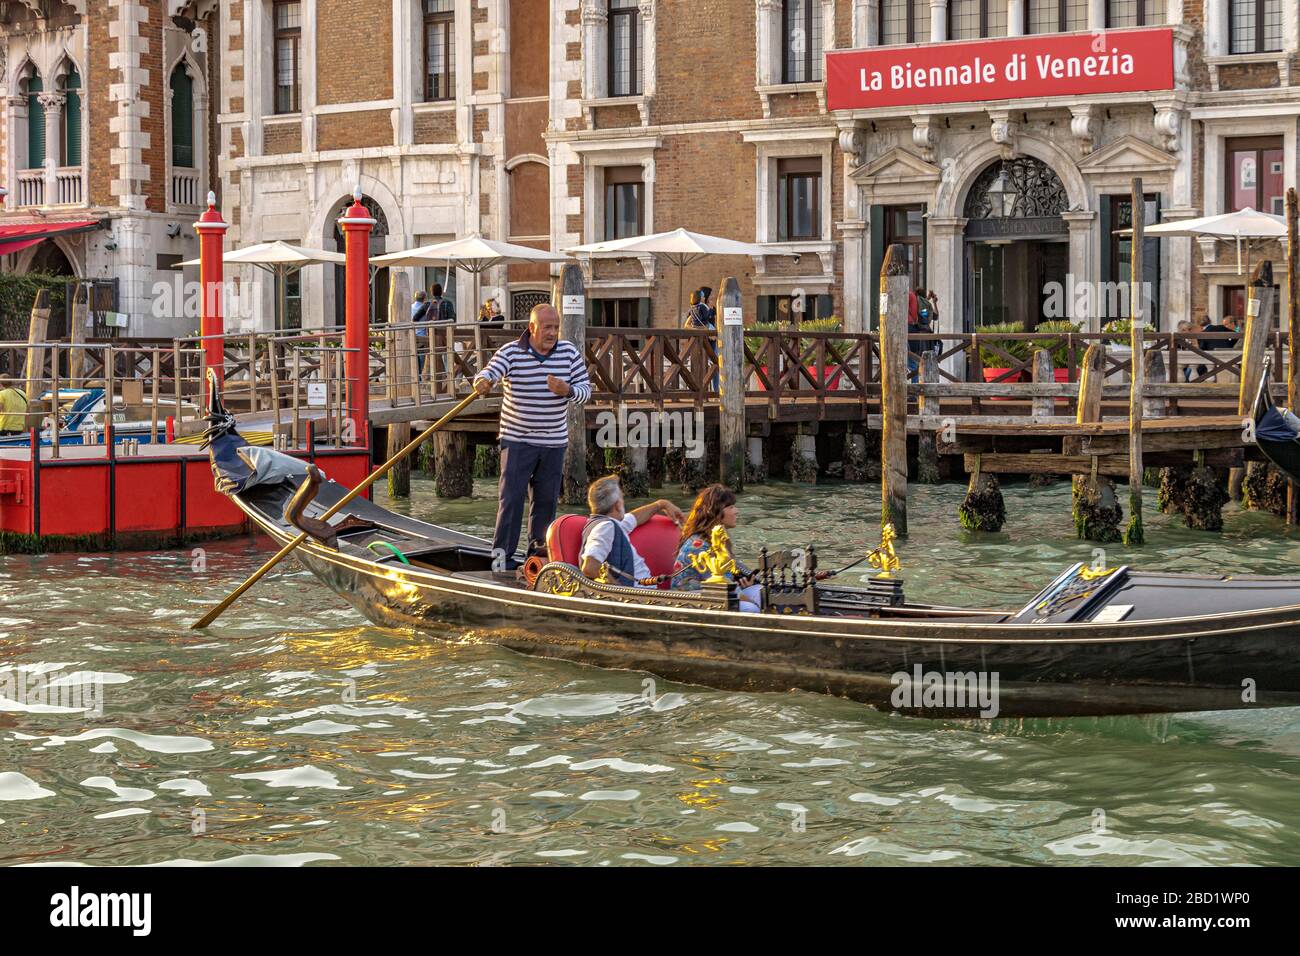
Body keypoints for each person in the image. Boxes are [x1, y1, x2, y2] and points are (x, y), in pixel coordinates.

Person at [474, 303, 592, 565]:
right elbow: (488, 372)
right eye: (547, 327)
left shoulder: (569, 353)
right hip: (517, 440)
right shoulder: (512, 352)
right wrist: (482, 381)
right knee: (511, 500)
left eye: (556, 328)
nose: (552, 333)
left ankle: (536, 558)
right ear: (532, 328)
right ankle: (500, 559)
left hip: (553, 442)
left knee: (546, 502)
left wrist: (568, 390)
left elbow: (586, 390)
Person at [579, 474, 685, 587]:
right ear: (618, 505)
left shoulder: (610, 524)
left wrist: (661, 504)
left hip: (643, 595)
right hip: (637, 598)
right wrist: (619, 591)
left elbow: (635, 518)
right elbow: (590, 567)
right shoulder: (605, 528)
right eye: (622, 497)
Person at [672, 484, 763, 612]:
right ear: (715, 512)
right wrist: (751, 602)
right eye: (731, 507)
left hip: (715, 593)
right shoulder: (699, 545)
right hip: (691, 599)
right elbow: (721, 584)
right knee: (751, 608)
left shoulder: (718, 539)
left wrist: (748, 584)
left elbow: (729, 576)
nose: (736, 511)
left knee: (761, 593)